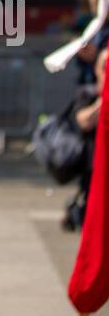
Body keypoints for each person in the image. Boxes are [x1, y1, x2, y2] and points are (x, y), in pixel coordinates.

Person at [62, 48, 106, 232]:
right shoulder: (88, 94)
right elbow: (84, 121)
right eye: (104, 69)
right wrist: (103, 102)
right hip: (91, 163)